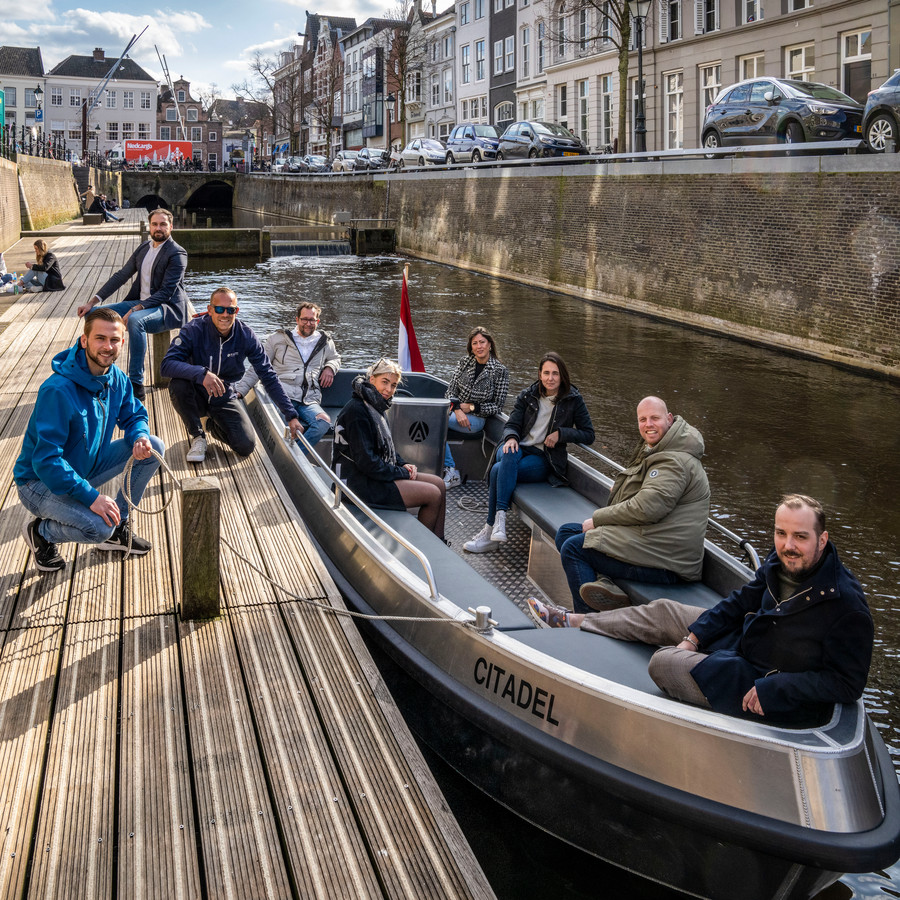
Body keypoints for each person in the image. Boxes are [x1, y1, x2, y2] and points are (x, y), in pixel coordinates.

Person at [530, 495, 874, 727]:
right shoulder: (778, 562)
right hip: (747, 638)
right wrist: (695, 637)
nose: (788, 545)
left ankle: (691, 667)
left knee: (664, 662)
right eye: (781, 533)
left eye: (800, 536)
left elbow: (847, 683)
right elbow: (741, 602)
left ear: (822, 539)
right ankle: (575, 620)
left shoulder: (846, 605)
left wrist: (778, 688)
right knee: (665, 611)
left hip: (758, 680)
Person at [14, 308, 164, 572]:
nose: (107, 346)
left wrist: (140, 435)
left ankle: (119, 525)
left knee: (155, 447)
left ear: (122, 342)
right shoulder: (57, 391)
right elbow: (46, 461)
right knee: (98, 528)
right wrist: (92, 497)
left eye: (114, 340)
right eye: (100, 338)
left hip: (84, 467)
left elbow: (134, 415)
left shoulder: (116, 378)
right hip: (38, 483)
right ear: (84, 340)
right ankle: (42, 533)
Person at [553, 396, 710, 613]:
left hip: (667, 561)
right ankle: (606, 584)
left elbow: (647, 508)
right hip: (652, 540)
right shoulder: (661, 449)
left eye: (655, 418)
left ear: (669, 419)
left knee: (574, 548)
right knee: (566, 533)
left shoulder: (674, 461)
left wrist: (598, 519)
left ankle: (587, 620)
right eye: (642, 419)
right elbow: (651, 495)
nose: (648, 424)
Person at [464, 352, 595, 553]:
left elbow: (588, 434)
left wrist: (561, 434)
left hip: (543, 458)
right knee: (509, 452)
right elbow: (512, 425)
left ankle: (492, 528)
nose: (550, 378)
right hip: (517, 449)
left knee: (498, 470)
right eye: (546, 373)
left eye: (555, 373)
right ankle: (499, 521)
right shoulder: (528, 395)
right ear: (540, 374)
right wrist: (511, 437)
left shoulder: (573, 400)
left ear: (562, 376)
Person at [161, 287, 302, 463]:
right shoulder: (193, 330)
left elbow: (268, 374)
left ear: (236, 311)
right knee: (177, 384)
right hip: (195, 392)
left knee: (245, 446)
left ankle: (210, 424)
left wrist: (291, 415)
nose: (225, 315)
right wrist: (202, 374)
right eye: (220, 309)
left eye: (231, 310)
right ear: (210, 309)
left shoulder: (246, 335)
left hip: (223, 394)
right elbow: (166, 365)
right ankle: (197, 435)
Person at [77, 208, 190, 401]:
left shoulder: (177, 253)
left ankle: (136, 382)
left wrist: (136, 308)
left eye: (163, 224)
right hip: (141, 303)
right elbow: (121, 275)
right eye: (155, 224)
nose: (158, 228)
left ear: (171, 226)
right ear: (150, 226)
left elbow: (166, 292)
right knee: (93, 315)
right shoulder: (144, 248)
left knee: (136, 320)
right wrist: (92, 301)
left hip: (166, 308)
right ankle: (93, 371)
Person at [333, 358, 447, 538]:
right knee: (433, 494)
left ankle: (439, 542)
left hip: (372, 475)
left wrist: (402, 464)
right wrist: (402, 473)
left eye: (393, 385)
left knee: (439, 484)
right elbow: (368, 463)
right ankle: (423, 546)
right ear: (372, 379)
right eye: (384, 382)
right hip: (357, 483)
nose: (388, 389)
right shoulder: (357, 411)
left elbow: (386, 447)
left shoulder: (374, 404)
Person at [235, 301, 340, 449]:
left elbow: (335, 358)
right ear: (297, 320)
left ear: (318, 321)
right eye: (304, 319)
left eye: (312, 320)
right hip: (282, 395)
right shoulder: (277, 339)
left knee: (323, 422)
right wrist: (240, 391)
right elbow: (258, 367)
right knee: (280, 424)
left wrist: (330, 367)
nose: (308, 323)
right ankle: (287, 453)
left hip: (309, 399)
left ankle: (297, 454)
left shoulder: (325, 342)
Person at [442, 325, 509, 489]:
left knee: (437, 423)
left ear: (490, 344)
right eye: (475, 343)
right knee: (435, 421)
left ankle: (451, 471)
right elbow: (450, 391)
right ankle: (443, 467)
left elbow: (497, 406)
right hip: (455, 413)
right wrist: (457, 409)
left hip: (477, 420)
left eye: (482, 342)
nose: (479, 346)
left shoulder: (500, 370)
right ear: (471, 347)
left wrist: (472, 408)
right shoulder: (464, 362)